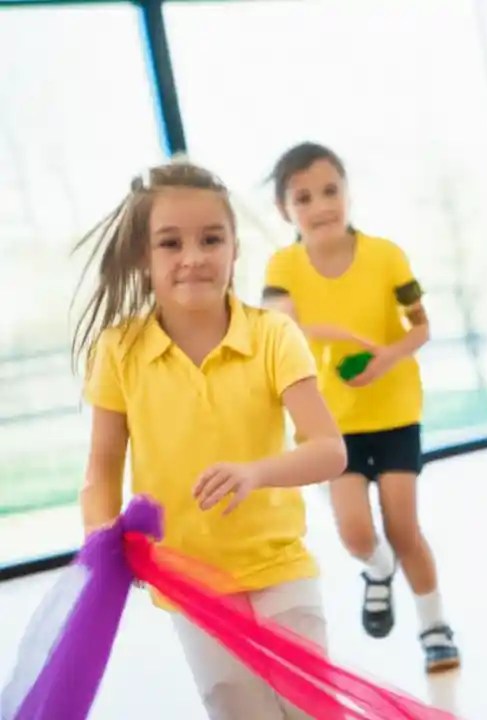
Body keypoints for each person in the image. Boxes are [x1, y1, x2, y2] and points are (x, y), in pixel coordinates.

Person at [75, 161, 347, 719]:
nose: (193, 257)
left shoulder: (273, 336)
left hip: (279, 567)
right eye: (170, 243)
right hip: (189, 582)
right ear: (143, 257)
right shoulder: (119, 350)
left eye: (211, 239)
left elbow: (329, 450)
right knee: (238, 709)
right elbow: (101, 470)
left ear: (234, 249)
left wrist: (256, 473)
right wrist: (102, 545)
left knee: (312, 710)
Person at [262, 143, 460, 672]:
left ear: (348, 192)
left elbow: (420, 327)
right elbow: (278, 327)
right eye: (304, 198)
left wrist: (386, 357)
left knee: (404, 528)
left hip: (394, 413)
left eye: (330, 190)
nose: (321, 205)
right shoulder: (283, 265)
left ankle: (435, 627)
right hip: (330, 426)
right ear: (284, 210)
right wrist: (339, 333)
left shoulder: (387, 255)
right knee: (355, 533)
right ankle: (377, 570)